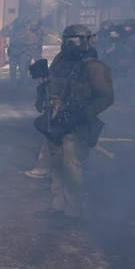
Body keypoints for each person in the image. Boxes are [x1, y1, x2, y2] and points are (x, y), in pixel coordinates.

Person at [32, 24, 113, 224]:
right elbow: (52, 83)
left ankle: (73, 211)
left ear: (86, 41)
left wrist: (83, 115)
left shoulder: (95, 66)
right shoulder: (60, 61)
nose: (71, 44)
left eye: (75, 40)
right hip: (55, 119)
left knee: (72, 167)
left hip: (77, 123)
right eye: (67, 40)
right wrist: (41, 93)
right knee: (57, 164)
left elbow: (106, 97)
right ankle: (57, 205)